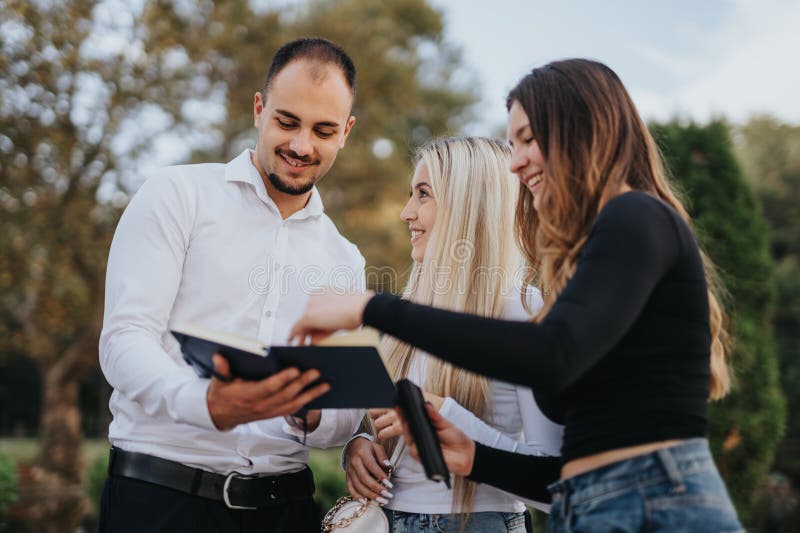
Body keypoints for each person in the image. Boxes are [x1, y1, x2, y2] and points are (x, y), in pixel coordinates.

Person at [289, 59, 744, 532]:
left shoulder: (635, 216)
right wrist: (473, 455)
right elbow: (561, 470)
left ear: (581, 130)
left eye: (527, 139)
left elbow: (553, 353)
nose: (515, 161)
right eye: (512, 144)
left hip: (651, 499)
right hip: (592, 506)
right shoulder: (584, 272)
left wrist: (373, 307)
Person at [98, 38, 366, 533]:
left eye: (323, 130)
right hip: (160, 502)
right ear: (260, 109)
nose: (302, 146)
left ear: (345, 132)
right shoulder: (176, 195)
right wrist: (204, 404)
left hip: (284, 511)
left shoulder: (345, 260)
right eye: (288, 122)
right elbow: (123, 340)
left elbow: (344, 415)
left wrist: (311, 411)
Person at [339, 137, 562, 533]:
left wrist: (442, 418)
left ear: (468, 206)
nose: (407, 212)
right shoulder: (416, 314)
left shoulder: (526, 313)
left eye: (423, 195)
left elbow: (557, 483)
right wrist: (358, 446)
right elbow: (384, 423)